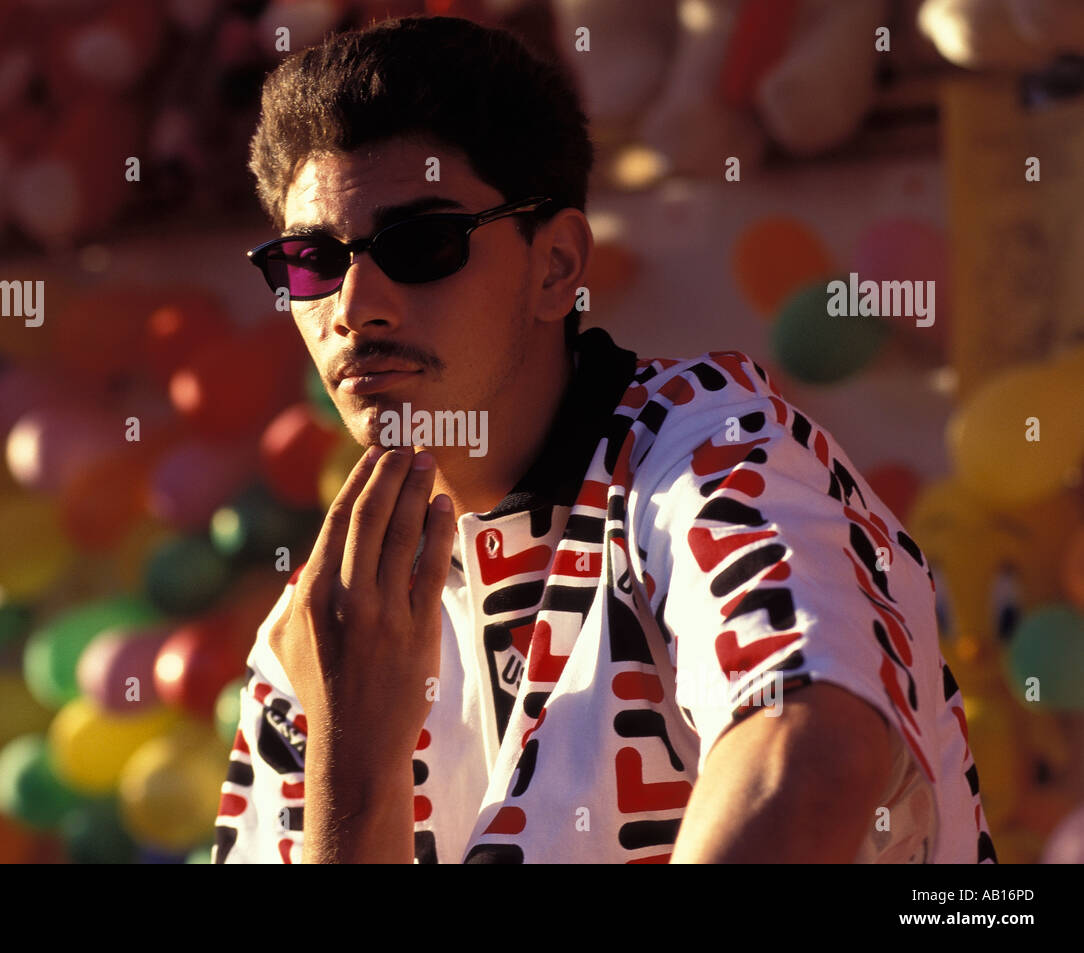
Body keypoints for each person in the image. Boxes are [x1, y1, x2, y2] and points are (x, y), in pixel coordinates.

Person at [215, 14, 995, 864]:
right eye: (311, 262)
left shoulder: (706, 452)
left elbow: (808, 756)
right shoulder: (320, 628)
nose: (355, 303)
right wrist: (350, 770)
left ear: (556, 267)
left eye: (423, 242)